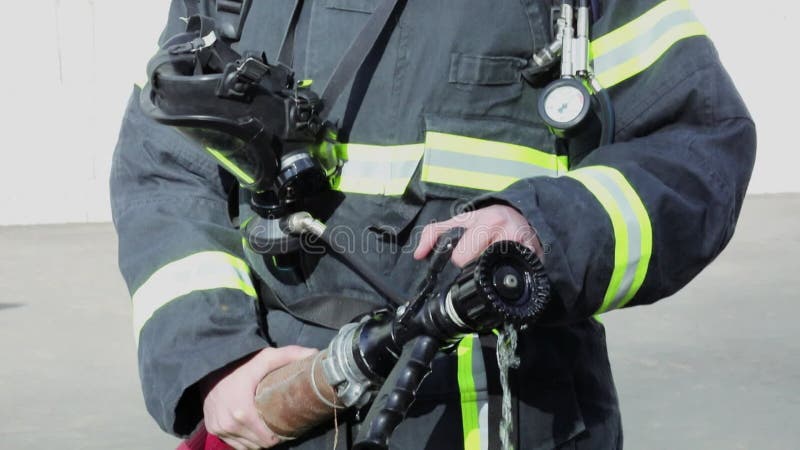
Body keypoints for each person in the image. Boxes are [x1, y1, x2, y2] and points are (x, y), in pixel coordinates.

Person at [110, 0, 756, 449]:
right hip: (280, 407)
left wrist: (547, 230)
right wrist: (214, 358)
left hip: (513, 411)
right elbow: (168, 168)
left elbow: (694, 146)